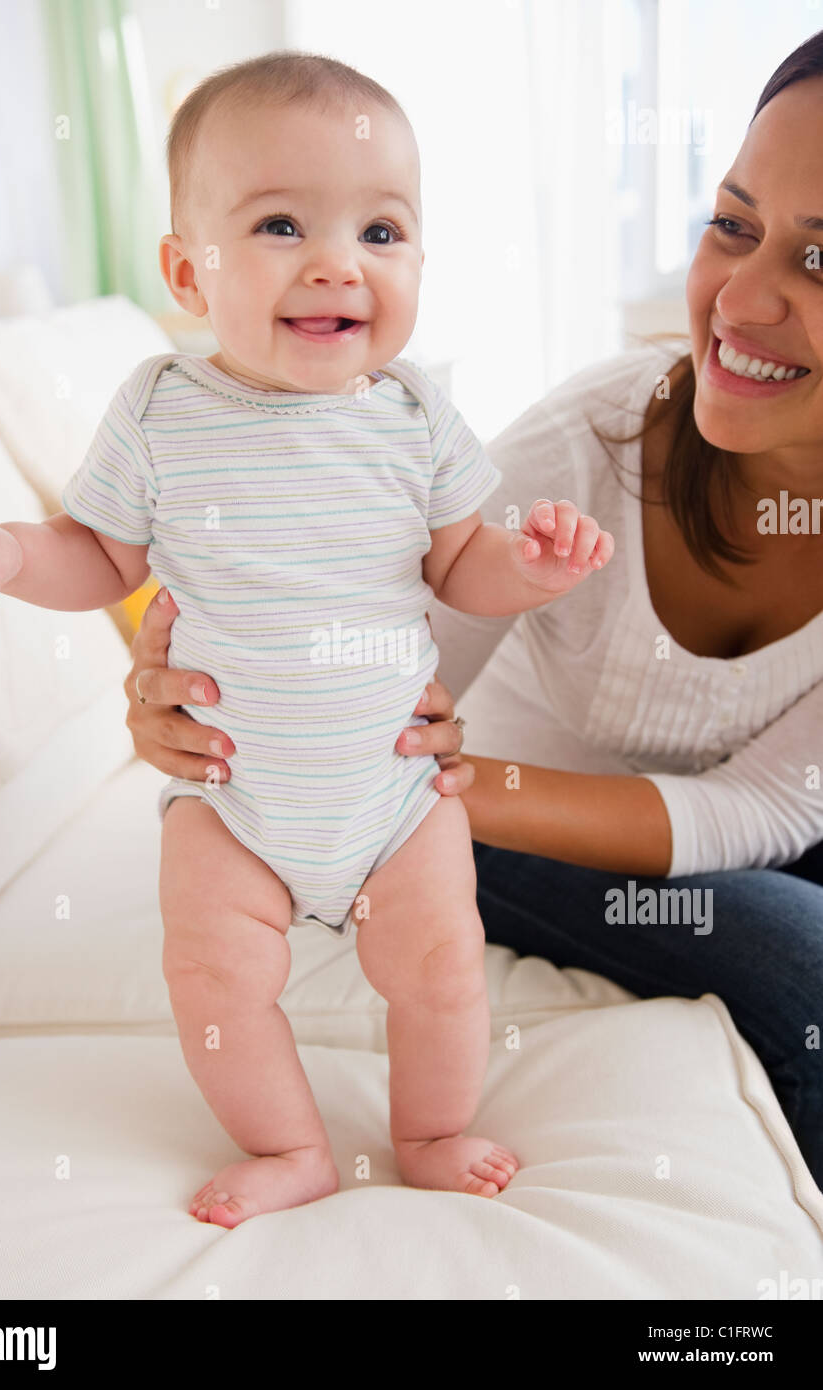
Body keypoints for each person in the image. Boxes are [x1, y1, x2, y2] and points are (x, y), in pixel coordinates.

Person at [0, 50, 616, 1228]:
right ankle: (291, 1145)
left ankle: (432, 1126)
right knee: (213, 977)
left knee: (441, 968)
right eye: (283, 224)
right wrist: (10, 554)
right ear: (190, 269)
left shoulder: (413, 413)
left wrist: (529, 567)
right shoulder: (160, 408)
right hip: (230, 798)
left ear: (421, 264)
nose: (339, 261)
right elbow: (101, 555)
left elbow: (459, 566)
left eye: (381, 232)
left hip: (394, 793)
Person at [123, 35, 823, 1193]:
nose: (741, 300)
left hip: (725, 813)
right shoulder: (595, 440)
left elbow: (772, 802)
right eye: (733, 225)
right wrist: (196, 708)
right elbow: (352, 642)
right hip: (482, 821)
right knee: (803, 960)